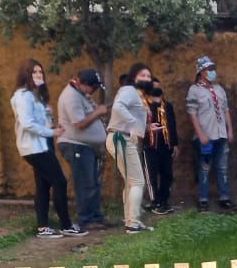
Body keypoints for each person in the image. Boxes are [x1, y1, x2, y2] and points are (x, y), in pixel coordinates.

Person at [9, 58, 82, 238]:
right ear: (26, 75)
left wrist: (53, 129)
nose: (38, 75)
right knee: (59, 181)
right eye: (34, 72)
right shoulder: (23, 96)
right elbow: (27, 123)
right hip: (33, 147)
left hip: (43, 144)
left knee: (43, 185)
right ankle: (65, 224)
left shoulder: (37, 96)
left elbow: (43, 121)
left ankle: (43, 227)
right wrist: (50, 133)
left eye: (40, 72)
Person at [58, 69, 111, 229]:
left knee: (93, 183)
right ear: (84, 84)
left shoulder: (81, 94)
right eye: (93, 88)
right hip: (76, 145)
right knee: (85, 183)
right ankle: (86, 219)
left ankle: (96, 216)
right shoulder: (71, 96)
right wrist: (98, 112)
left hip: (86, 146)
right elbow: (79, 124)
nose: (94, 91)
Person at [185, 55, 234, 211]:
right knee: (204, 167)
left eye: (213, 69)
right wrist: (200, 134)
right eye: (208, 69)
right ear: (201, 72)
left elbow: (225, 110)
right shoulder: (194, 90)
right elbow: (192, 113)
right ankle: (203, 198)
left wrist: (230, 130)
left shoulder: (219, 89)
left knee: (222, 167)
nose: (212, 72)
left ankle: (224, 197)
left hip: (221, 134)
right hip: (206, 135)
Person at [110, 64, 153, 234]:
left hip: (123, 137)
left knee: (131, 182)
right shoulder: (128, 90)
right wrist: (133, 124)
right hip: (121, 138)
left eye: (149, 76)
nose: (147, 79)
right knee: (137, 182)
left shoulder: (137, 94)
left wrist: (146, 127)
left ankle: (131, 221)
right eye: (143, 75)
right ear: (134, 77)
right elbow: (117, 107)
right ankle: (132, 224)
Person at [141, 71, 178, 214]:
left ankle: (164, 201)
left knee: (167, 174)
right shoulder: (144, 106)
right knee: (151, 175)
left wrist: (174, 143)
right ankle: (154, 202)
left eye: (158, 88)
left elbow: (172, 124)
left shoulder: (167, 106)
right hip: (150, 146)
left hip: (166, 145)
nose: (157, 91)